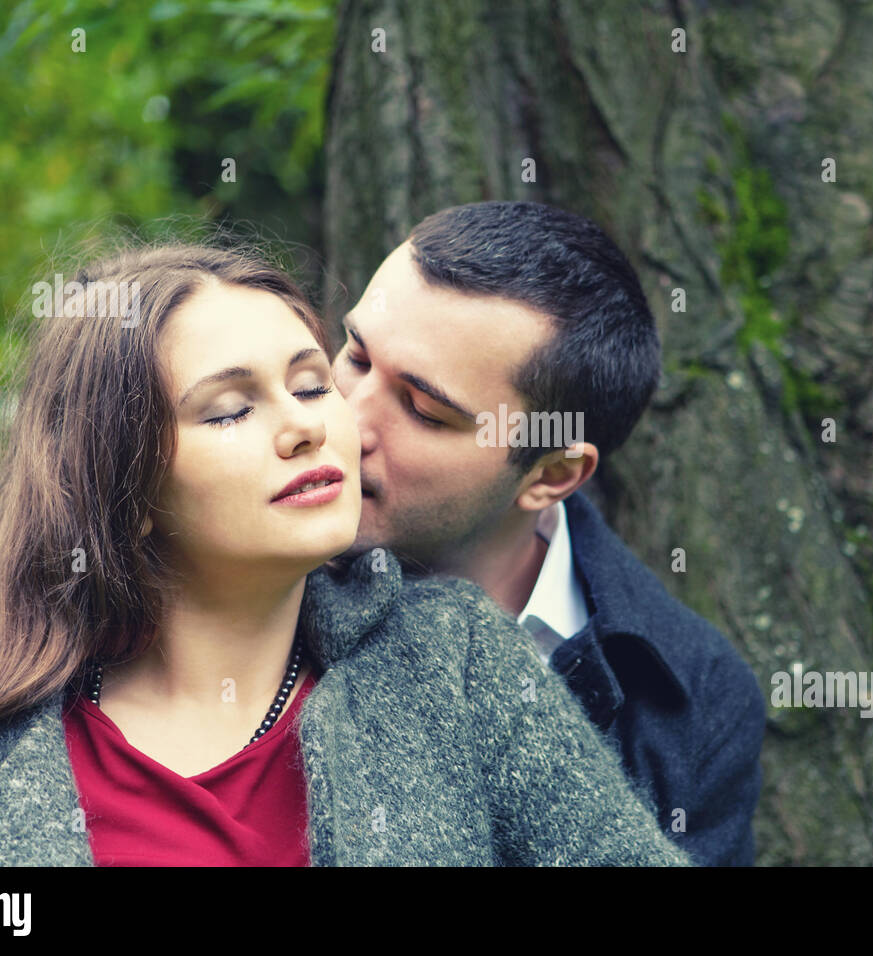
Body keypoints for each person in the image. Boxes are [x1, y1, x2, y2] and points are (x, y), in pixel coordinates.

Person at [0, 240, 692, 867]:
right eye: (230, 411)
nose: (308, 425)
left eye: (310, 385)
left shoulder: (456, 660)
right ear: (121, 491)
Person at [321, 200, 766, 866]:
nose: (345, 424)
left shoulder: (693, 698)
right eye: (356, 358)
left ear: (552, 474)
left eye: (422, 410)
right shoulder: (231, 561)